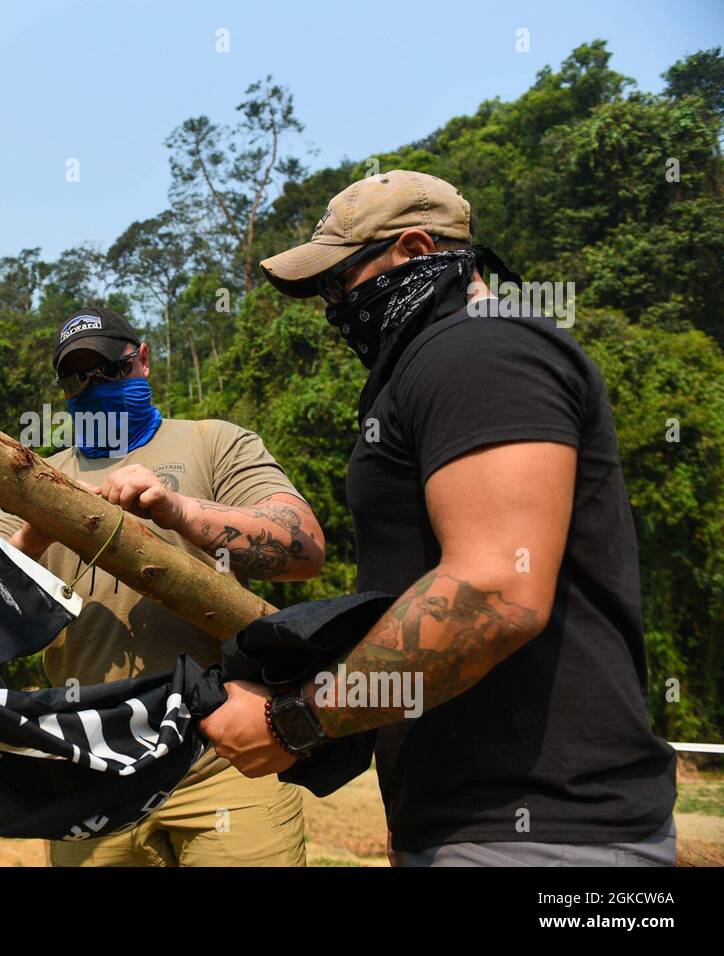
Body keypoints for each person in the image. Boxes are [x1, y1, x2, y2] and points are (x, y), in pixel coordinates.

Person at [199, 170, 678, 866]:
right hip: (475, 823)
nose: (335, 305)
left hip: (541, 829)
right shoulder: (440, 361)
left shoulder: (478, 351)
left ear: (417, 249)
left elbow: (494, 595)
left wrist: (294, 721)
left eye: (342, 281)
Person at [0, 305, 326, 866]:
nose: (93, 385)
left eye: (108, 370)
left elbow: (303, 548)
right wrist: (34, 534)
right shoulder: (28, 483)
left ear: (142, 360)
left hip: (226, 751)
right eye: (77, 377)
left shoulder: (216, 444)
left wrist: (181, 510)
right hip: (94, 762)